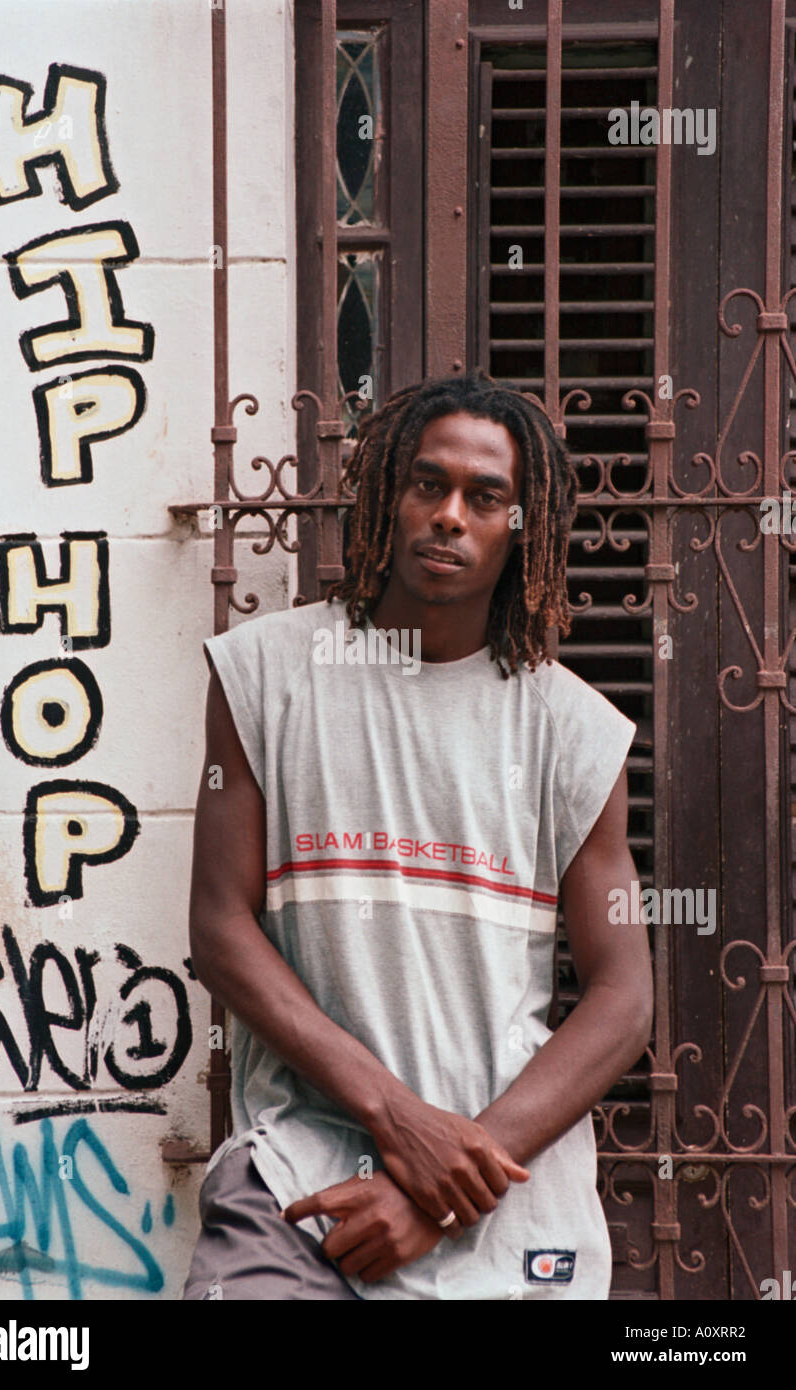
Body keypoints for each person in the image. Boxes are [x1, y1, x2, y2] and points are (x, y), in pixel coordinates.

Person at [182, 370, 653, 1301]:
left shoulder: (575, 731)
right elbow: (219, 931)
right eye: (427, 485)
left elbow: (623, 998)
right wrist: (397, 1120)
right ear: (388, 497)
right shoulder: (264, 676)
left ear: (524, 529)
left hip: (502, 1192)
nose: (449, 516)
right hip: (299, 1175)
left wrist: (442, 1185)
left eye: (486, 498)